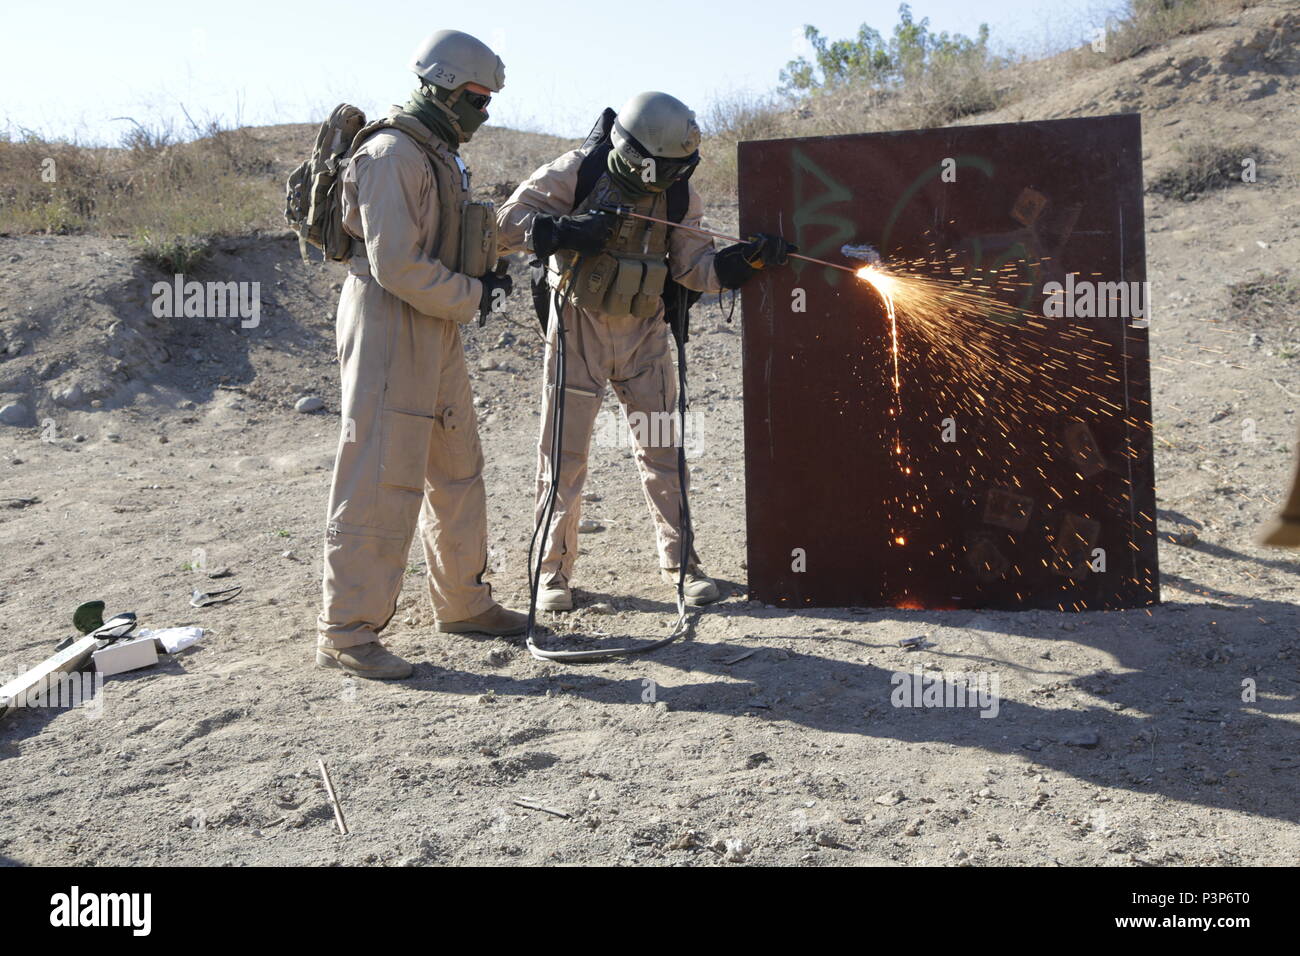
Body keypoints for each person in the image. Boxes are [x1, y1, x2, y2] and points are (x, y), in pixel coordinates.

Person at [498, 91, 796, 612]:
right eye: (669, 166)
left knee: (664, 455)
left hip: (645, 341)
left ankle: (681, 564)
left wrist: (745, 262)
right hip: (578, 334)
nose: (677, 176)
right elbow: (503, 227)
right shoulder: (574, 173)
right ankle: (552, 575)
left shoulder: (679, 195)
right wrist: (564, 230)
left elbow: (695, 268)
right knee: (563, 461)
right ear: (637, 154)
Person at [316, 29, 524, 680]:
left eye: (488, 99)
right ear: (440, 87)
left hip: (436, 322)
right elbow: (397, 266)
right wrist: (472, 294)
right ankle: (347, 634)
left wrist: (487, 270)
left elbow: (438, 243)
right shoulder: (390, 154)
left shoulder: (437, 154)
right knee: (378, 475)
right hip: (389, 321)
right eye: (476, 97)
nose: (482, 112)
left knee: (456, 467)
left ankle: (463, 602)